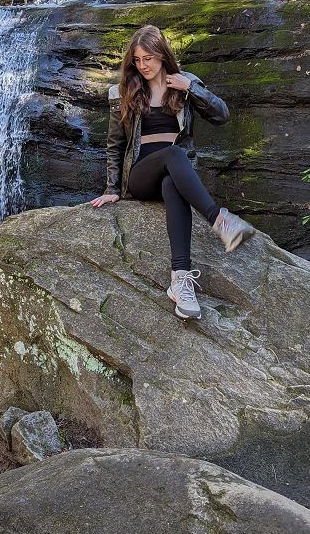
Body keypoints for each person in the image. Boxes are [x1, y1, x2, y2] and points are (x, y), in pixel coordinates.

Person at [90, 24, 255, 320]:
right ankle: (220, 220)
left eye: (148, 59)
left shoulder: (186, 83)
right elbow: (115, 144)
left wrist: (191, 89)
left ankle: (180, 281)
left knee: (172, 183)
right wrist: (112, 189)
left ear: (163, 55)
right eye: (137, 60)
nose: (143, 66)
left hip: (174, 176)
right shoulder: (122, 92)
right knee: (174, 154)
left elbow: (222, 115)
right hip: (141, 175)